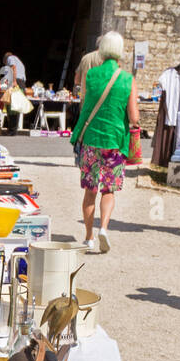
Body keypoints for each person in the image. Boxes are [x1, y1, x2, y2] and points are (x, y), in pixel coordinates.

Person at [70, 31, 139, 254]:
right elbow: (135, 117)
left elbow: (87, 105)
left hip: (91, 140)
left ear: (102, 50)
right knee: (108, 190)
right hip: (114, 142)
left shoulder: (92, 75)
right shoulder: (128, 79)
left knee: (90, 190)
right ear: (119, 51)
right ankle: (104, 229)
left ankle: (88, 237)